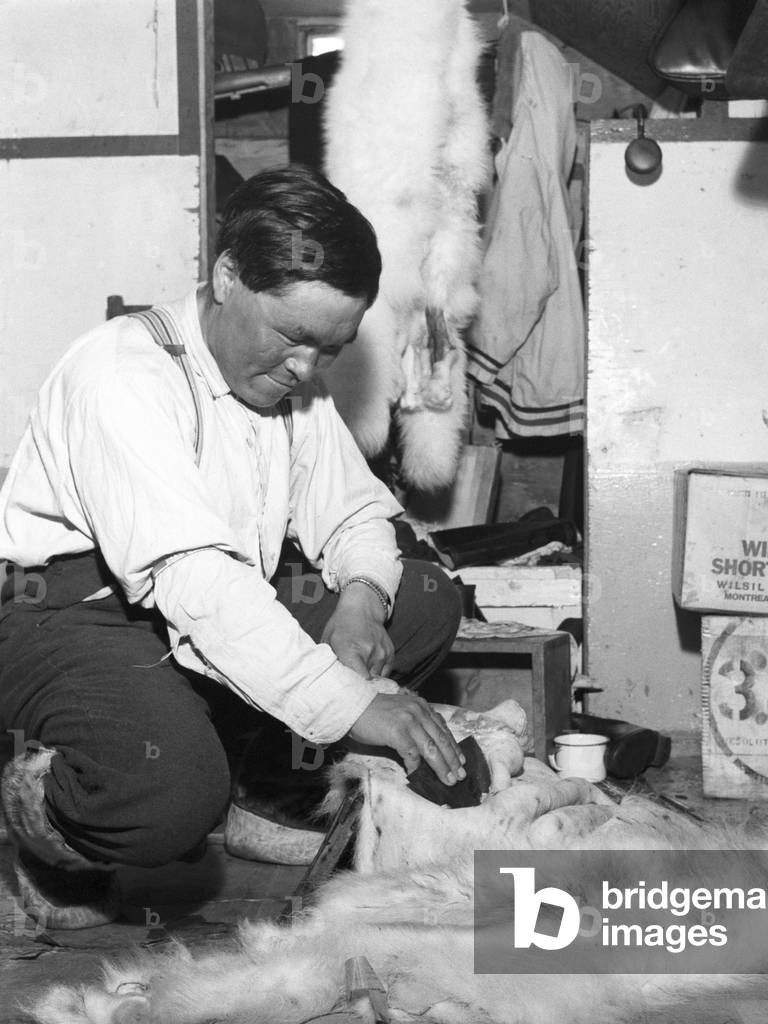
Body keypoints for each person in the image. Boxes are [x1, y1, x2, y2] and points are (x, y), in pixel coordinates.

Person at [0, 164, 465, 928]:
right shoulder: (122, 374)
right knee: (173, 795)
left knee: (421, 599)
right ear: (226, 278)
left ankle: (264, 789)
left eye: (332, 347)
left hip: (205, 602)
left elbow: (354, 515)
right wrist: (348, 704)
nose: (307, 369)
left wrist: (359, 602)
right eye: (293, 337)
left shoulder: (292, 382)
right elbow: (199, 583)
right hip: (67, 615)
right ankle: (52, 814)